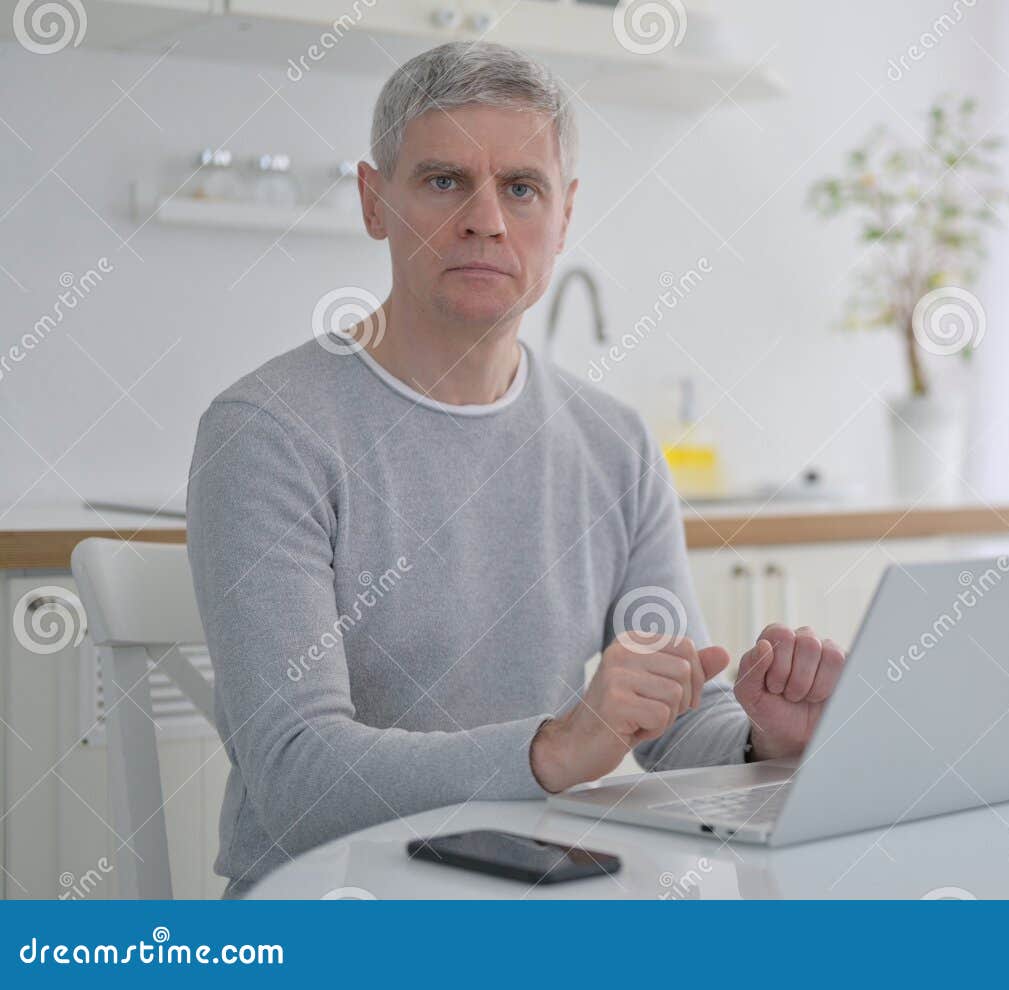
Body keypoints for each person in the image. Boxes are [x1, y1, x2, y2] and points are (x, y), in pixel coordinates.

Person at [186, 41, 844, 896]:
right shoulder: (267, 433)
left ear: (564, 216)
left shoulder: (615, 445)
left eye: (521, 188)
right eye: (445, 180)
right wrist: (556, 747)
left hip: (530, 898)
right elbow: (297, 778)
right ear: (374, 200)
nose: (487, 219)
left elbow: (678, 727)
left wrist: (768, 742)